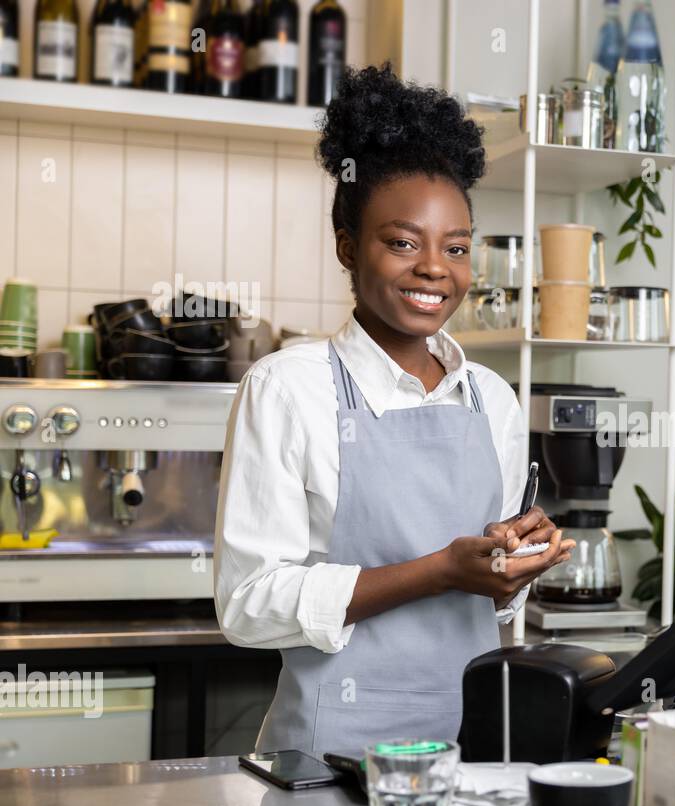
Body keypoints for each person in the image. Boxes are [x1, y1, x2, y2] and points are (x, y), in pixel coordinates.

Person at [214, 65, 573, 755]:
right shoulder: (288, 389)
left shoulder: (490, 401)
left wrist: (511, 567)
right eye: (403, 242)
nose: (435, 268)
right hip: (326, 764)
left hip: (467, 757)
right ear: (349, 247)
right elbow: (247, 605)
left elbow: (495, 604)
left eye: (457, 247)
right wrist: (438, 570)